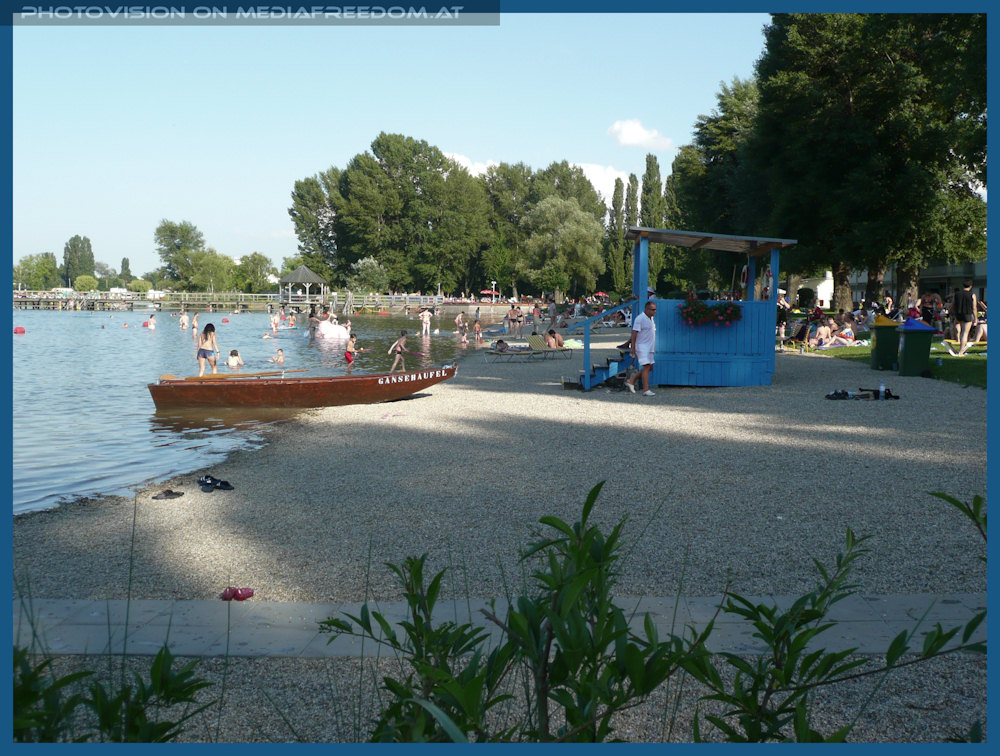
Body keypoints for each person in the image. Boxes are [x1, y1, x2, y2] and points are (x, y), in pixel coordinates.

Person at [624, 300, 657, 396]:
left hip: (650, 347)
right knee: (646, 366)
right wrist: (633, 347)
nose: (654, 312)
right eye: (652, 310)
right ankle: (646, 389)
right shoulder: (640, 319)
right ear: (647, 309)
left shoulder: (651, 319)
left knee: (650, 367)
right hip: (642, 346)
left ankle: (631, 380)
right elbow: (634, 333)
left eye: (655, 310)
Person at [947, 280, 978, 356]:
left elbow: (953, 304)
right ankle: (961, 352)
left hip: (958, 314)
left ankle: (957, 338)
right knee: (965, 333)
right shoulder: (972, 294)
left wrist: (950, 311)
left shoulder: (956, 294)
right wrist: (976, 318)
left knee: (957, 325)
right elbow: (974, 307)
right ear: (971, 286)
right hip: (967, 314)